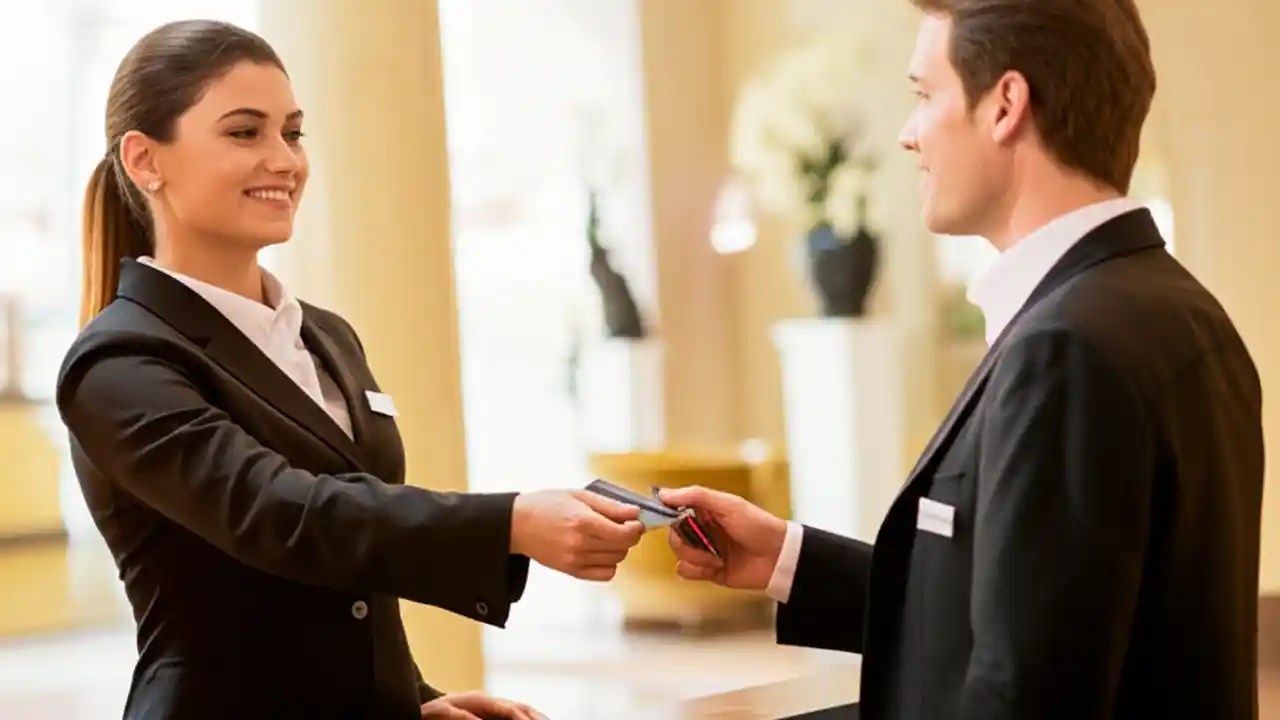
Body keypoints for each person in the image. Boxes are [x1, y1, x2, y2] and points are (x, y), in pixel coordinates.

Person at [664, 2, 1264, 719]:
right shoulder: (1177, 309)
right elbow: (1034, 613)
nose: (907, 134)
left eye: (923, 95)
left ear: (1006, 104)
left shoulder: (1065, 350)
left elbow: (1024, 695)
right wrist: (786, 559)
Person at [56, 20, 643, 720]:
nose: (285, 160)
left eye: (293, 132)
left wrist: (411, 701)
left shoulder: (326, 335)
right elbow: (284, 514)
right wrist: (510, 522)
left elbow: (348, 573)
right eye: (245, 133)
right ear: (145, 160)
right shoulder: (117, 360)